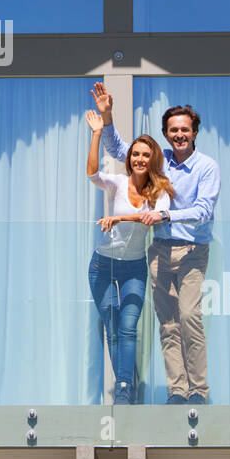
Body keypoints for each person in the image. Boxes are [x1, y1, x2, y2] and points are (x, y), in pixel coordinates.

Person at [91, 82, 221, 404]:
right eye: (173, 130)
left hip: (191, 250)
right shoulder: (158, 161)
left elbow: (204, 211)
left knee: (190, 316)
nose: (179, 135)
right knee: (169, 324)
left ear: (194, 133)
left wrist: (165, 217)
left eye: (185, 130)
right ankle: (177, 390)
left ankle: (199, 392)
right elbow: (121, 150)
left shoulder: (206, 167)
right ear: (166, 133)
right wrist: (107, 119)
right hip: (160, 250)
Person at [84, 108, 172, 405]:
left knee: (128, 325)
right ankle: (123, 388)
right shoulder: (119, 183)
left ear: (153, 159)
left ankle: (125, 388)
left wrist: (119, 219)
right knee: (111, 325)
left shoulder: (160, 191)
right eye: (135, 154)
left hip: (134, 267)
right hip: (102, 265)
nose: (139, 159)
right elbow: (92, 174)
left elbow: (155, 217)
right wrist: (97, 134)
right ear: (129, 158)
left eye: (145, 155)